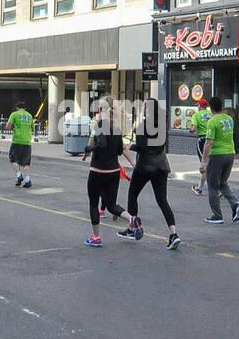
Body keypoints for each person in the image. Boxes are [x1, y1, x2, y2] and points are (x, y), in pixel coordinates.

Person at [117, 98, 180, 250]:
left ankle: (133, 228)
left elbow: (142, 147)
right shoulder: (162, 124)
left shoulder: (143, 125)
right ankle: (174, 234)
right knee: (162, 201)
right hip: (161, 167)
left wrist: (130, 146)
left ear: (147, 109)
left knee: (133, 194)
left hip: (145, 167)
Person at [82, 101, 132, 247]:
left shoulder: (100, 125)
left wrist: (88, 148)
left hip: (98, 170)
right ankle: (131, 219)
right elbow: (118, 151)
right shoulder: (116, 129)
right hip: (113, 172)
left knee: (93, 203)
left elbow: (101, 144)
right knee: (111, 205)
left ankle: (96, 237)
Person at [201, 97, 239, 225]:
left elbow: (209, 142)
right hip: (230, 154)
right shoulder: (229, 119)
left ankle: (217, 215)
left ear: (211, 108)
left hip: (217, 155)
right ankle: (235, 205)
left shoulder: (212, 122)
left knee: (212, 186)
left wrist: (204, 161)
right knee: (223, 182)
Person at [7, 102, 35, 187]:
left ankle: (19, 175)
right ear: (25, 108)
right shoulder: (30, 116)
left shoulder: (14, 114)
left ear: (17, 108)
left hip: (17, 141)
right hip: (27, 142)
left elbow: (8, 127)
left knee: (13, 159)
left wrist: (14, 127)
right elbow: (32, 128)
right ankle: (27, 180)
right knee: (26, 163)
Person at [187, 99, 212, 195]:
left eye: (198, 105)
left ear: (200, 106)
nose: (197, 107)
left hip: (202, 141)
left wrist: (190, 129)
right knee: (210, 164)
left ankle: (202, 188)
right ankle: (204, 187)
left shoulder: (196, 115)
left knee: (204, 164)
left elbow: (194, 129)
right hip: (212, 140)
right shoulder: (211, 114)